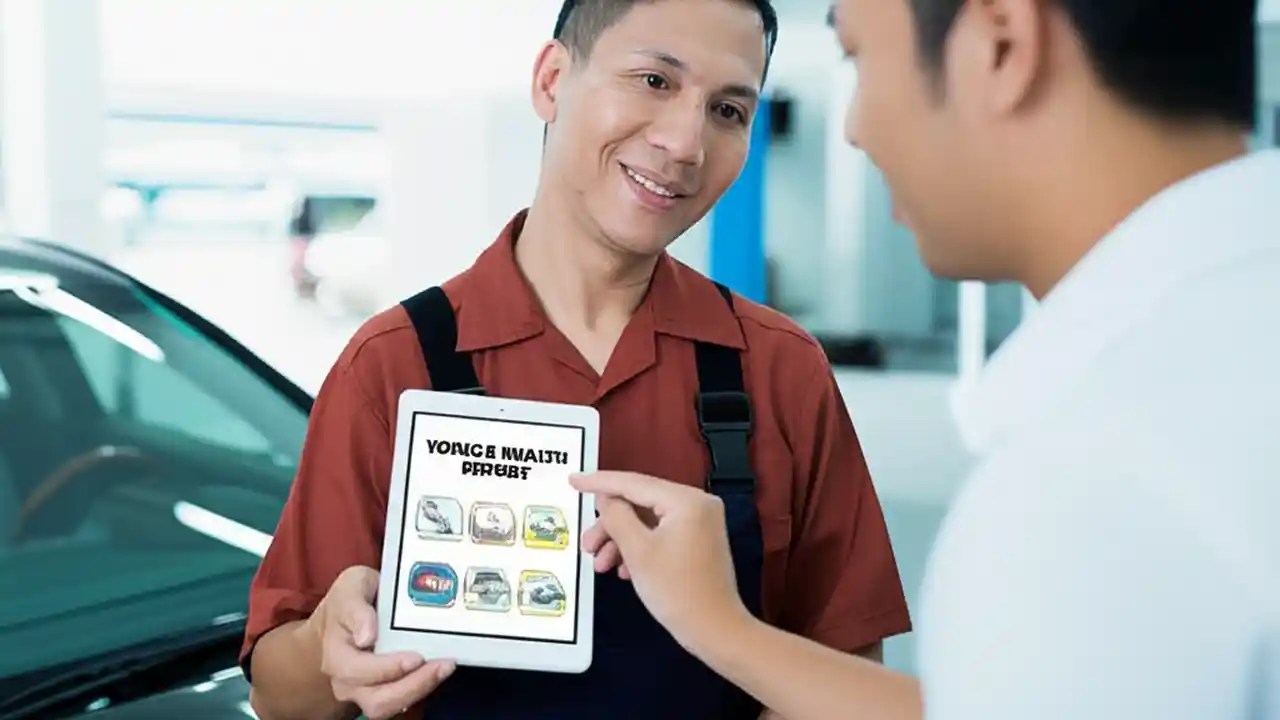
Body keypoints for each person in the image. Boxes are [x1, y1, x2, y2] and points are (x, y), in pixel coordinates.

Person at [572, 0, 1280, 718]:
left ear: (999, 45)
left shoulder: (1094, 493)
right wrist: (726, 632)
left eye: (860, 60)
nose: (855, 129)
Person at [240, 1, 914, 719]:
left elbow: (848, 675)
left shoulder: (779, 370)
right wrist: (327, 644)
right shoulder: (391, 364)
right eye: (655, 80)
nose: (687, 142)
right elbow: (281, 700)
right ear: (553, 79)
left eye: (727, 110)